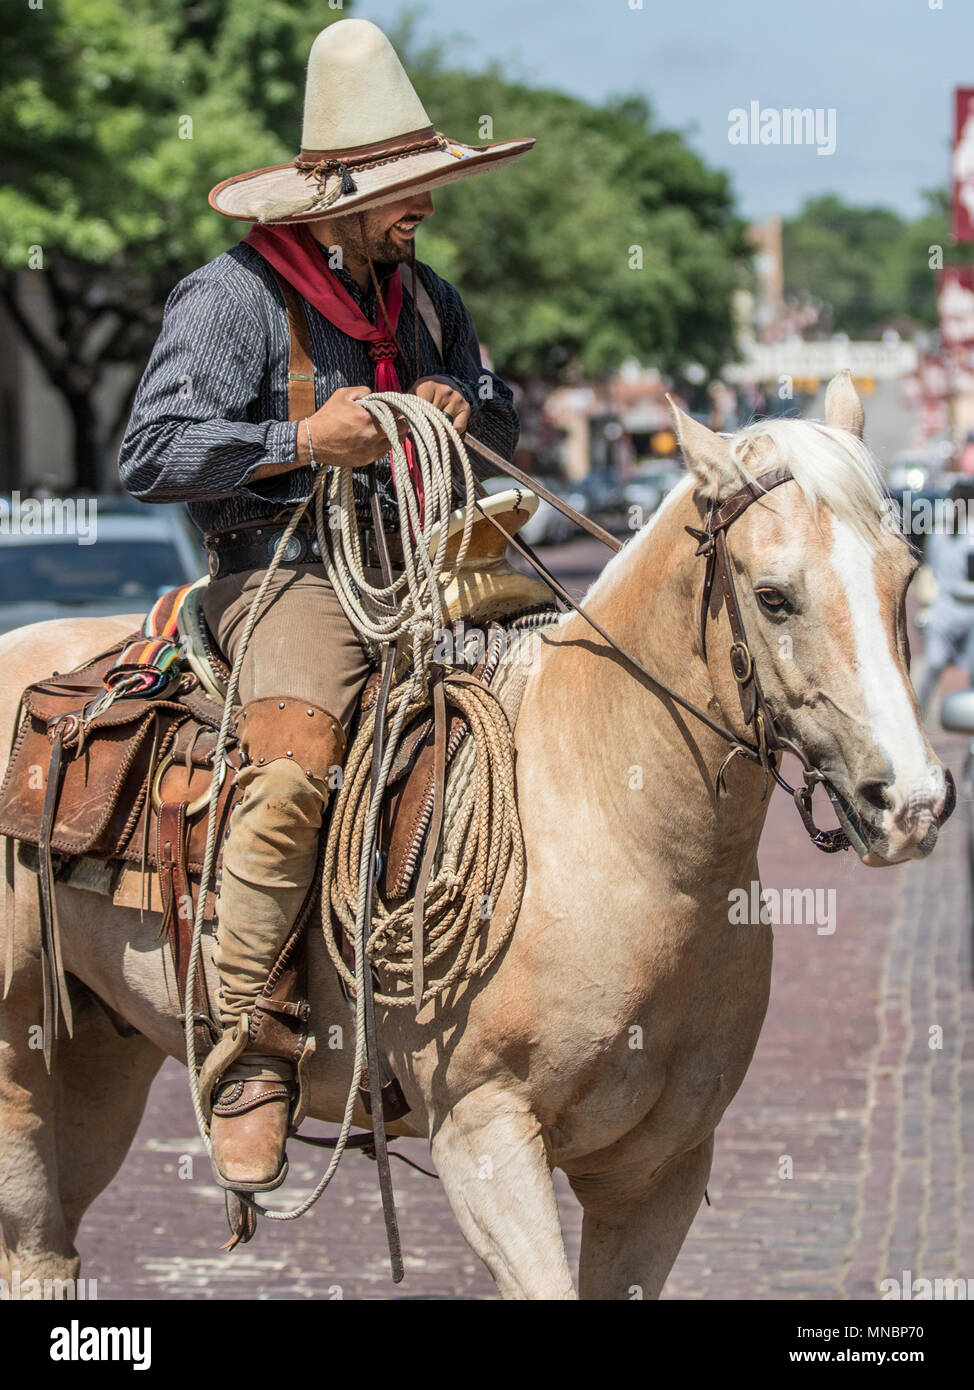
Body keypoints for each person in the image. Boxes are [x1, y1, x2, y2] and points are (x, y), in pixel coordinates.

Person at [118, 18, 533, 1192]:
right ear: (334, 202)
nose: (427, 211)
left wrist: (462, 400)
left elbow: (505, 407)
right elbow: (151, 451)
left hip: (422, 567)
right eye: (406, 193)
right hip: (284, 577)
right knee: (297, 763)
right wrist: (302, 437)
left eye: (427, 187)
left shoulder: (421, 294)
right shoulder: (230, 296)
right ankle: (245, 1049)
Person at [916, 478, 974, 716]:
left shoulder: (940, 529)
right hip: (957, 608)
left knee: (933, 667)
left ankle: (916, 717)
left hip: (948, 607)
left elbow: (930, 566)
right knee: (936, 667)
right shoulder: (953, 531)